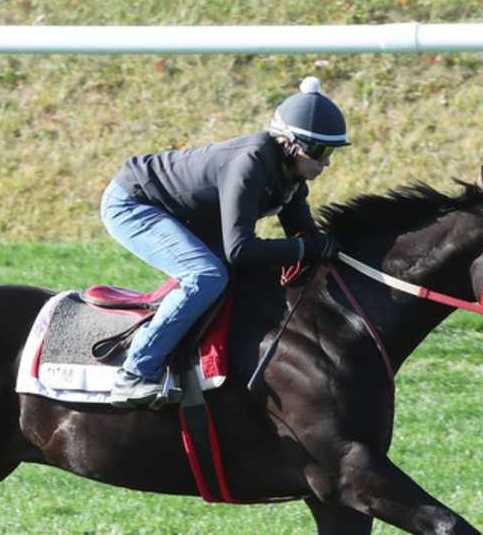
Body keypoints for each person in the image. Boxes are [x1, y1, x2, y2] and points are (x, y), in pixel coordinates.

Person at [100, 76, 349, 408]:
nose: (326, 162)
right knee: (206, 275)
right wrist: (304, 249)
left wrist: (330, 248)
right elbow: (240, 249)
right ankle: (135, 373)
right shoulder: (249, 164)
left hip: (183, 212)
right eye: (318, 151)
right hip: (133, 203)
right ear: (288, 143)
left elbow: (305, 237)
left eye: (330, 152)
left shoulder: (292, 177)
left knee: (240, 274)